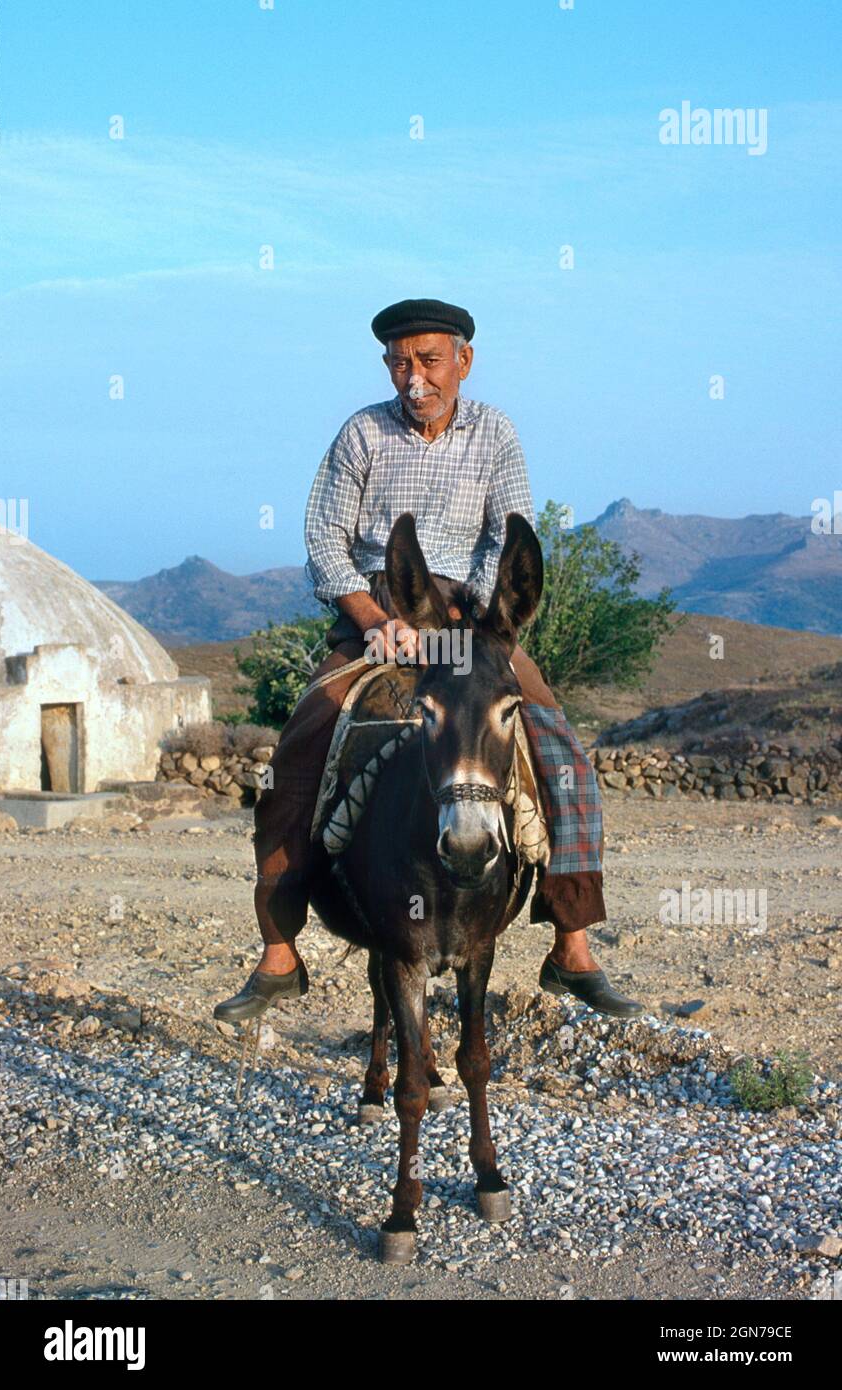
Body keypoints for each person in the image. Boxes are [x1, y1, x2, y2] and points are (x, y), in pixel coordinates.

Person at [215, 298, 641, 1026]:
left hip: (471, 622)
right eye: (399, 362)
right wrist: (380, 621)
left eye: (428, 360)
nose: (413, 378)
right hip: (378, 615)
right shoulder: (361, 434)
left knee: (560, 750)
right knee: (298, 752)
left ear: (464, 362)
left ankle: (572, 945)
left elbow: (510, 535)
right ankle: (279, 953)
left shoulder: (497, 433)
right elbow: (324, 540)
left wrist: (463, 622)